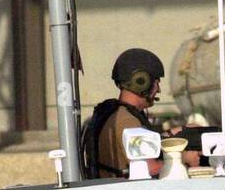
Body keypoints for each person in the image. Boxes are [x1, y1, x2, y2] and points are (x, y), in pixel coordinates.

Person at [80, 48, 201, 178]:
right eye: (156, 82)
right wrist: (183, 159)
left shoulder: (119, 114)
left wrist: (177, 132)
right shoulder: (127, 121)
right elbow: (150, 168)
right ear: (141, 82)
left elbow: (141, 143)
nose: (159, 90)